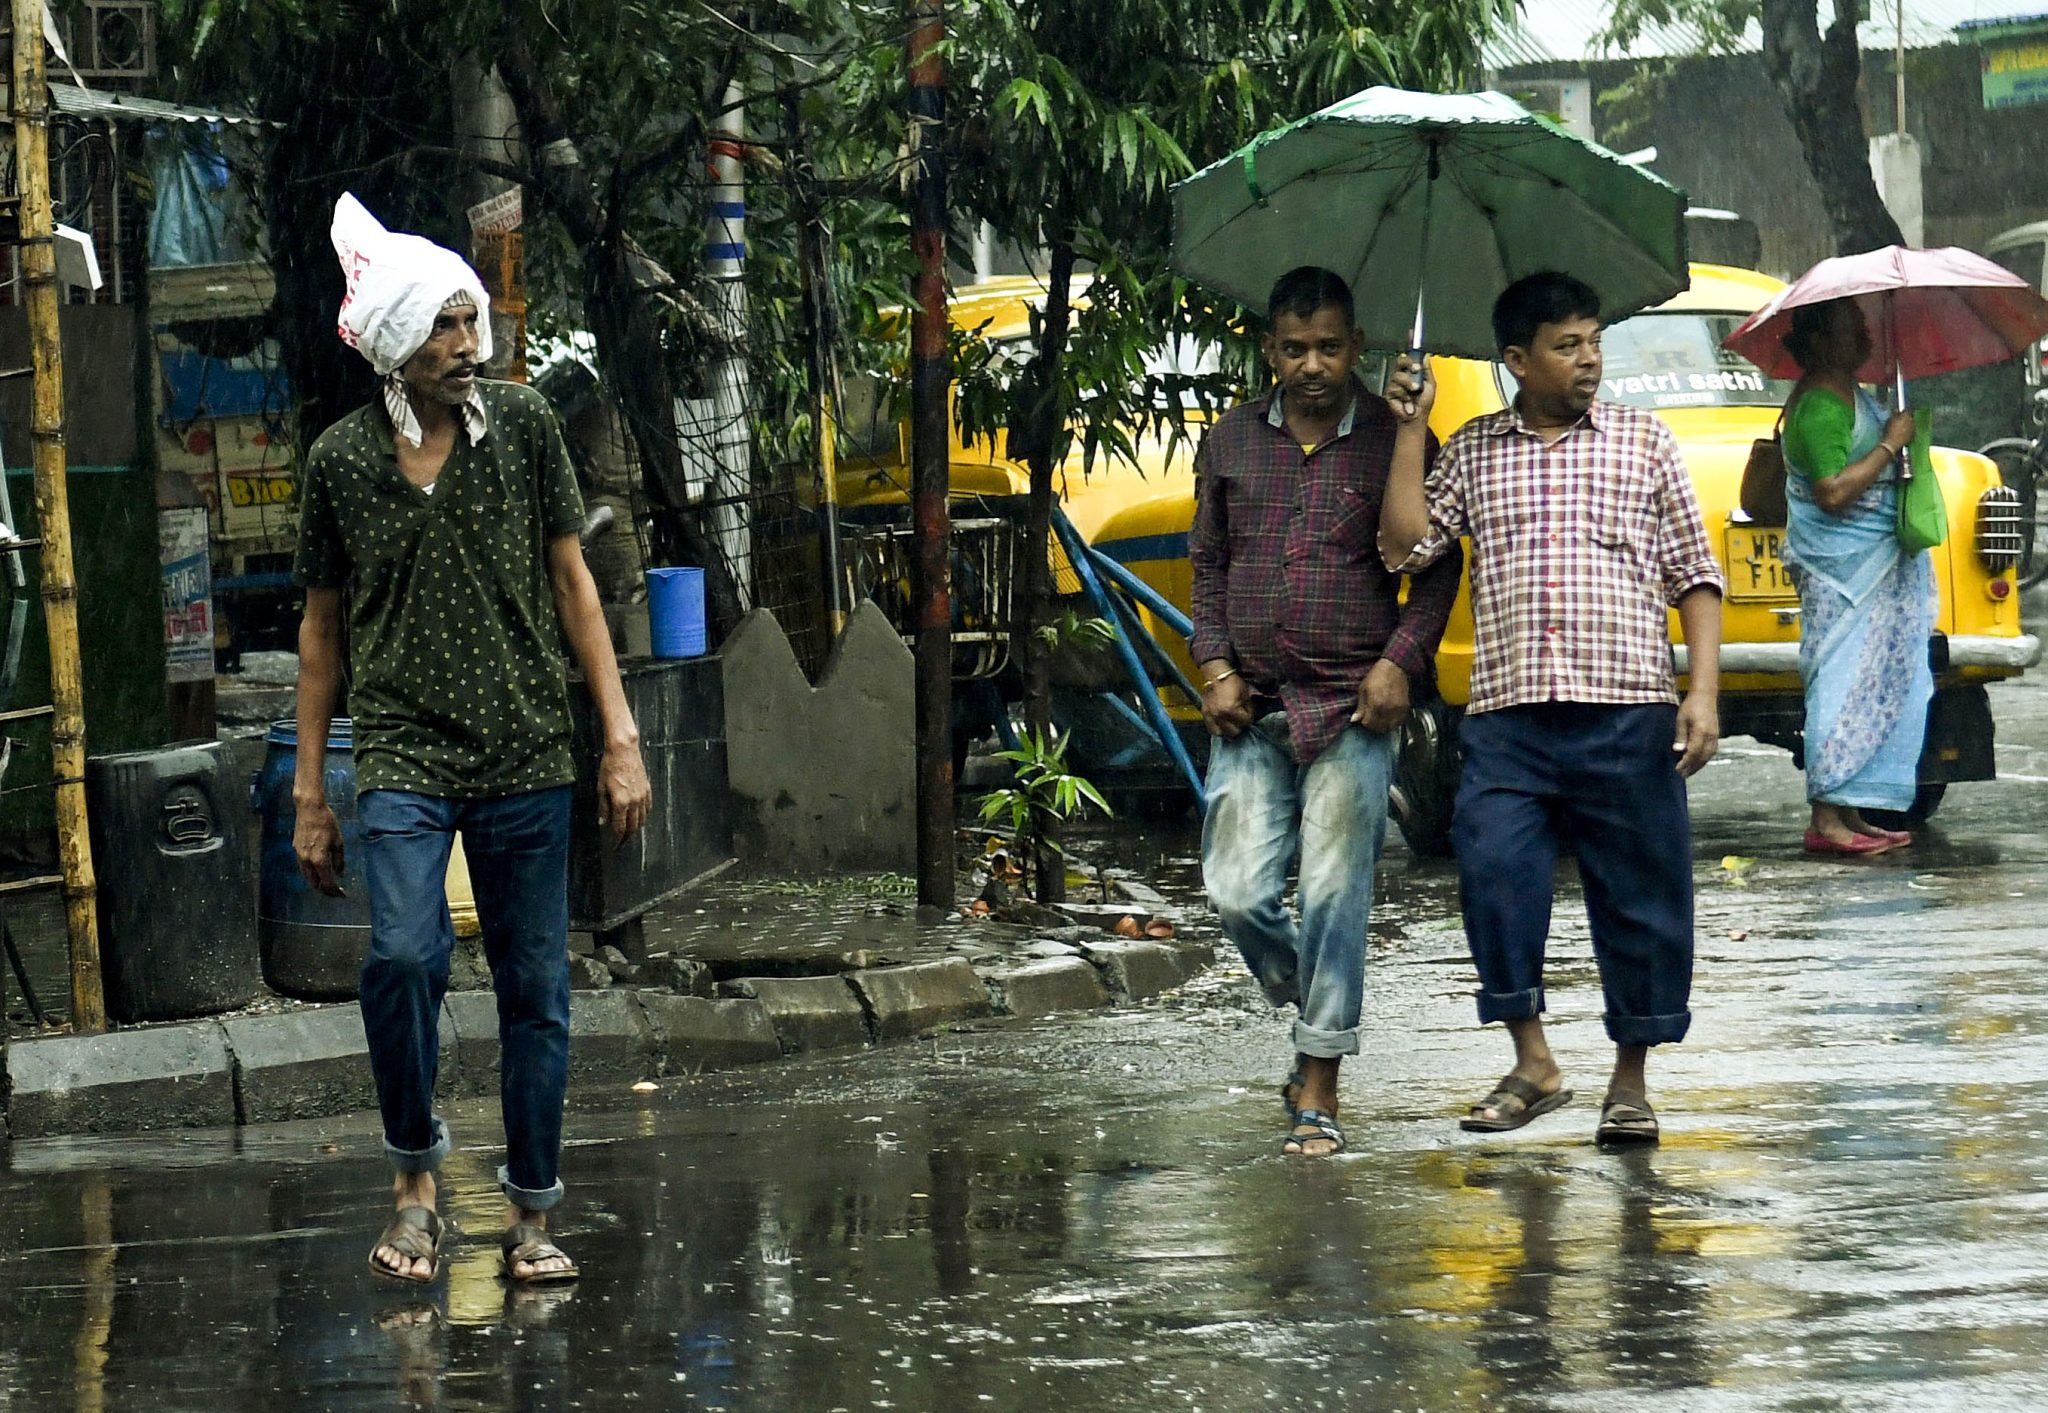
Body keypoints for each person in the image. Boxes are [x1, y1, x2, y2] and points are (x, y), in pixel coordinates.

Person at [293, 195, 652, 1285]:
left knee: (534, 982)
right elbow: (319, 633)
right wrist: (310, 791)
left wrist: (620, 737)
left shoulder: (526, 431)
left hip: (524, 747)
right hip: (401, 749)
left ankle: (532, 1211)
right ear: (395, 346)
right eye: (442, 328)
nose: (464, 344)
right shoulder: (341, 464)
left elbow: (573, 586)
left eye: (468, 324)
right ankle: (414, 1183)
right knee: (403, 957)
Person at [1377, 271, 1725, 1146]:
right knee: (1494, 876)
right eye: (1567, 345)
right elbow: (1405, 544)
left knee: (1645, 898)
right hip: (1508, 719)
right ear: (1517, 361)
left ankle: (1631, 1080)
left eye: (1594, 341)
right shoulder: (1475, 451)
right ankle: (1533, 1062)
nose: (1589, 360)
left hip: (1628, 712)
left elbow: (1696, 574)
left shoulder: (1645, 446)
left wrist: (1705, 694)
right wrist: (1411, 431)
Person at [1189, 266, 1463, 1158]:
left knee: (1337, 889)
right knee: (1235, 891)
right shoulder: (1230, 440)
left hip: (1353, 706)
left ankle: (1320, 1084)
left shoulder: (1397, 438)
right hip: (1251, 707)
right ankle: (1316, 1017)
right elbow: (1208, 562)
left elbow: (1435, 565)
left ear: (1359, 348)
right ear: (1270, 349)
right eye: (1296, 348)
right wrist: (1215, 662)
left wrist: (1402, 662)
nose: (1313, 365)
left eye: (1332, 347)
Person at [1776, 298, 1931, 856]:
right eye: (1851, 329)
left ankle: (1849, 809)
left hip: (1867, 567)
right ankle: (1826, 817)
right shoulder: (1820, 401)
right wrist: (1892, 443)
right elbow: (1833, 492)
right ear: (1818, 342)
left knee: (1870, 685)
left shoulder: (1845, 392)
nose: (1865, 337)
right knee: (1840, 686)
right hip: (1840, 571)